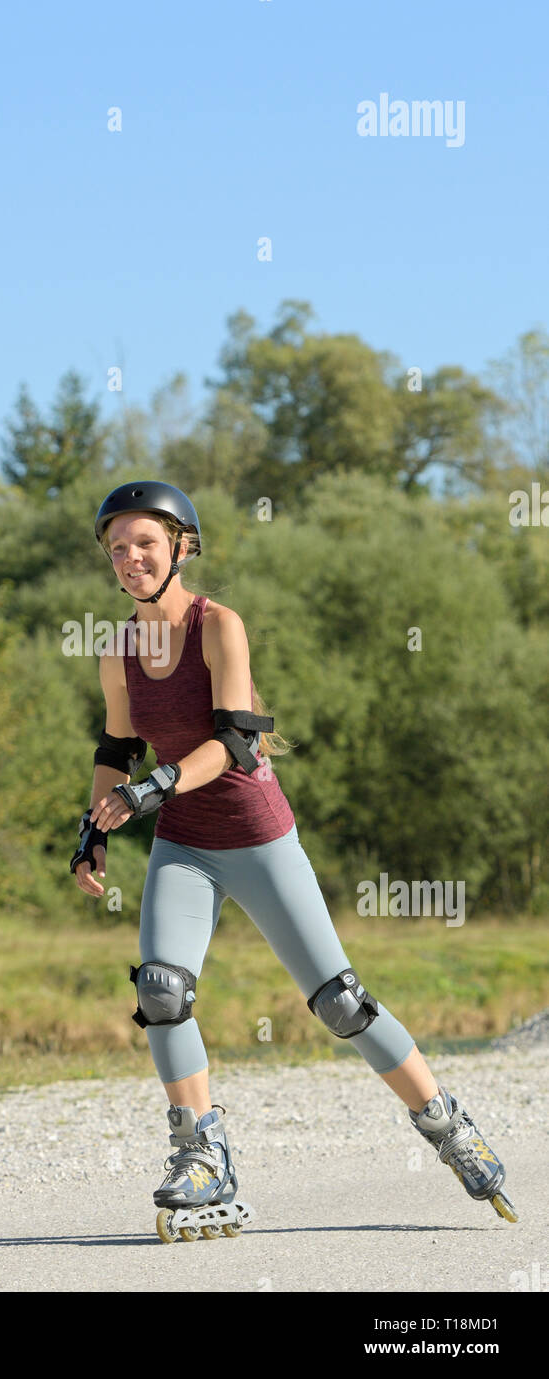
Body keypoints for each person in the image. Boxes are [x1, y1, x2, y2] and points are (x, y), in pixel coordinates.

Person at [70, 480, 517, 1240]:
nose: (131, 558)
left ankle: (447, 1125)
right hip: (185, 844)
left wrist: (159, 784)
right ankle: (201, 1151)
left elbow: (236, 739)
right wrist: (96, 826)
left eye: (146, 543)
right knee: (163, 988)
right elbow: (117, 749)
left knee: (341, 1003)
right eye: (118, 548)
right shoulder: (118, 650)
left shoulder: (219, 626)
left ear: (182, 547)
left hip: (259, 838)